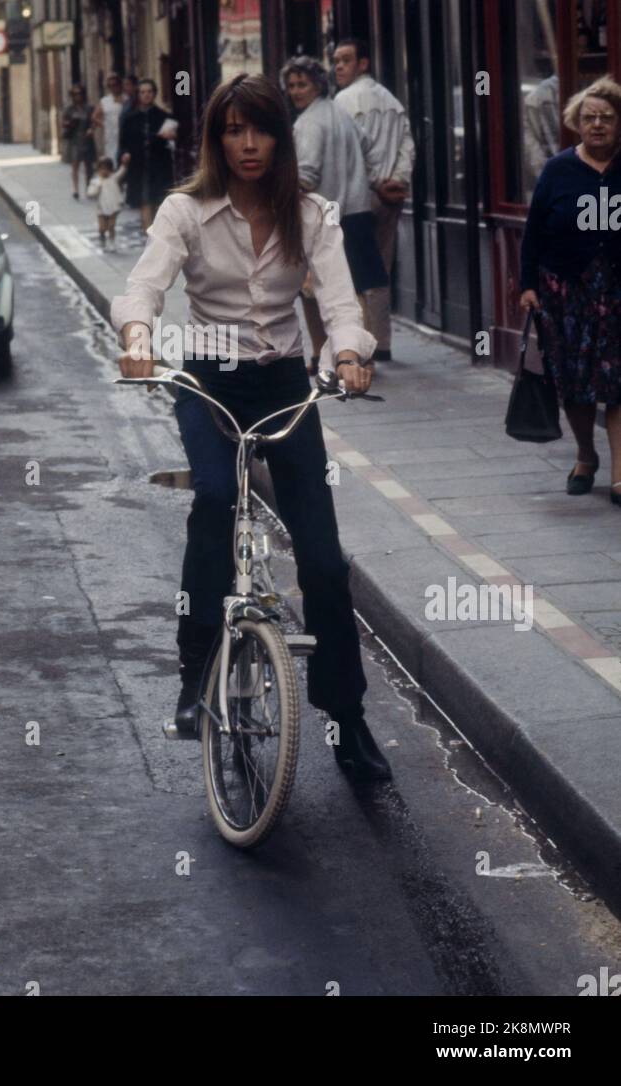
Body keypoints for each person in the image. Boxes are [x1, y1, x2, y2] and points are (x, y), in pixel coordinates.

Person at [111, 72, 391, 783]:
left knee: (324, 560)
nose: (248, 144)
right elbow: (144, 286)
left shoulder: (313, 212)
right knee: (212, 498)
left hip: (282, 383)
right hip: (206, 379)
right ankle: (193, 671)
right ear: (215, 137)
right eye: (233, 130)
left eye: (261, 129)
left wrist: (351, 352)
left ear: (281, 136)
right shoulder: (184, 210)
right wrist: (139, 337)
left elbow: (340, 302)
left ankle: (347, 720)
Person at [519, 76, 621, 506]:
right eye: (589, 117)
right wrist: (526, 285)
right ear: (576, 123)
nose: (597, 125)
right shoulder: (558, 170)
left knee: (618, 381)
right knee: (575, 383)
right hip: (566, 293)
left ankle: (620, 473)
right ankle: (585, 455)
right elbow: (534, 232)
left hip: (617, 291)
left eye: (607, 118)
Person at [281, 55, 387, 376]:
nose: (296, 91)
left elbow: (307, 175)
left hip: (325, 215)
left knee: (313, 290)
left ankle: (320, 354)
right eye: (291, 85)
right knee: (355, 289)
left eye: (303, 84)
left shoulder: (309, 122)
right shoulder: (341, 112)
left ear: (318, 84)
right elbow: (369, 147)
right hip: (355, 209)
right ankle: (360, 357)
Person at [333, 38, 415, 361]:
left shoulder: (342, 102)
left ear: (362, 64)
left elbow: (350, 153)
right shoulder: (392, 102)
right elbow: (408, 144)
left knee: (354, 270)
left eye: (345, 60)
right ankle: (381, 342)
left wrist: (377, 183)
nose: (338, 67)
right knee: (381, 267)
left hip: (360, 196)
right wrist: (398, 179)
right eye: (336, 61)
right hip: (388, 195)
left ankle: (361, 343)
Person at [119, 78, 175, 235]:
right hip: (139, 165)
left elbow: (174, 140)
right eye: (143, 92)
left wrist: (171, 137)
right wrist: (124, 154)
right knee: (144, 200)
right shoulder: (130, 118)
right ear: (138, 95)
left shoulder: (164, 116)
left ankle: (158, 235)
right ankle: (148, 236)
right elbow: (123, 143)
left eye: (149, 92)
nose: (146, 95)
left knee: (160, 200)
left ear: (155, 94)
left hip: (160, 166)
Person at [61, 84, 96, 199]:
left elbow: (93, 121)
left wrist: (91, 129)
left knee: (88, 166)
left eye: (80, 93)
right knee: (75, 165)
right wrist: (70, 123)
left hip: (87, 139)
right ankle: (75, 189)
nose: (78, 96)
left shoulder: (89, 108)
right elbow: (63, 123)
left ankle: (88, 189)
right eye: (75, 94)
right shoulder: (69, 109)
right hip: (75, 140)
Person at [90, 154, 129, 251]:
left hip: (113, 207)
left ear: (111, 170)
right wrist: (97, 188)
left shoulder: (113, 178)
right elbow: (90, 193)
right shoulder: (96, 181)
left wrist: (124, 163)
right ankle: (102, 237)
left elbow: (122, 171)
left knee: (111, 226)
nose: (104, 171)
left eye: (107, 169)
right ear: (98, 169)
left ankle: (111, 242)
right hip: (101, 208)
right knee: (102, 228)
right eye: (102, 169)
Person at [92, 72, 125, 167]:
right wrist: (105, 125)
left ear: (120, 84)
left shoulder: (126, 99)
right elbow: (94, 117)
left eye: (115, 84)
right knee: (112, 159)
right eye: (110, 86)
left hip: (124, 133)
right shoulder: (105, 101)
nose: (113, 87)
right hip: (110, 135)